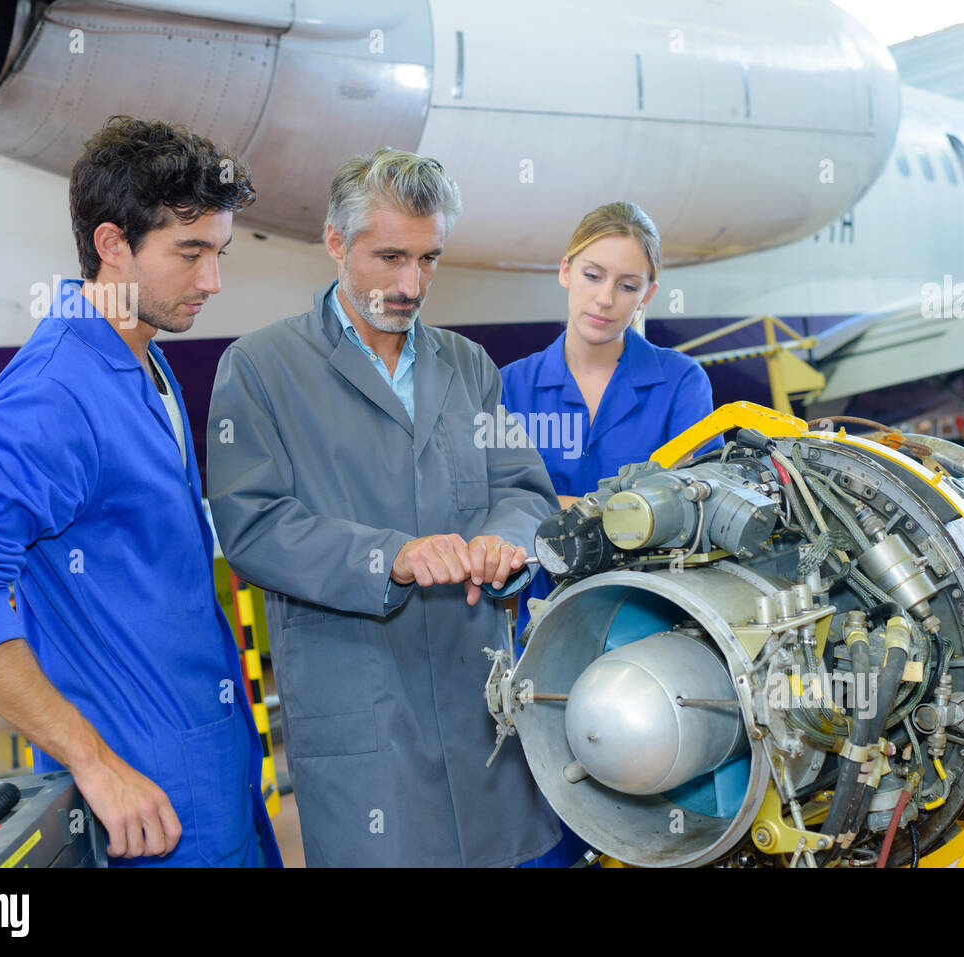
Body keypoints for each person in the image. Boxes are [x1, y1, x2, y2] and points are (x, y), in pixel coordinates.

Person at [0, 116, 281, 868]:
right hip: (146, 812)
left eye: (220, 252)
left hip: (214, 776)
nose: (213, 281)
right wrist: (92, 761)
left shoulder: (141, 359)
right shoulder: (56, 394)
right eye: (191, 253)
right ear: (112, 245)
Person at [206, 147, 561, 867]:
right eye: (391, 256)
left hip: (479, 703)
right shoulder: (261, 369)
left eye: (429, 258)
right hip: (362, 708)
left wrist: (505, 539)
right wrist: (388, 555)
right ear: (337, 243)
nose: (411, 283)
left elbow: (523, 491)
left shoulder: (467, 367)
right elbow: (253, 522)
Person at [500, 201, 722, 866]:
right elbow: (498, 507)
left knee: (658, 817)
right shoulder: (512, 387)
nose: (606, 298)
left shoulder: (681, 383)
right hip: (540, 632)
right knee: (544, 820)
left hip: (653, 627)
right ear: (564, 271)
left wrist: (561, 508)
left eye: (627, 285)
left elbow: (692, 506)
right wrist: (621, 507)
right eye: (594, 274)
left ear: (647, 293)